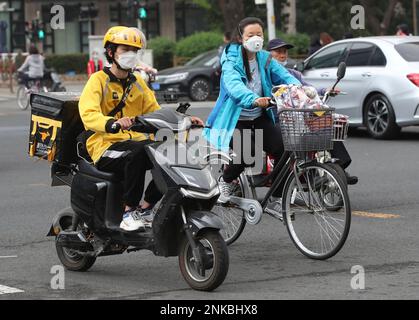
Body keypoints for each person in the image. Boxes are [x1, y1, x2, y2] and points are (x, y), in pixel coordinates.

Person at [79, 26, 203, 231]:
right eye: (124, 49)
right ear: (110, 52)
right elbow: (88, 114)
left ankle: (146, 207)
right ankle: (129, 212)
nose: (130, 55)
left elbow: (155, 111)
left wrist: (184, 120)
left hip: (133, 141)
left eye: (134, 51)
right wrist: (112, 123)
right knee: (138, 153)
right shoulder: (98, 81)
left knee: (171, 152)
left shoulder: (137, 82)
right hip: (104, 145)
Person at [202, 17, 301, 214]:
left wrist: (302, 90)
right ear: (241, 38)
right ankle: (227, 179)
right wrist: (253, 99)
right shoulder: (231, 59)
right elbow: (233, 85)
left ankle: (276, 196)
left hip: (259, 117)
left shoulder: (265, 58)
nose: (256, 38)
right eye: (251, 35)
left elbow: (285, 76)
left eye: (259, 34)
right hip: (234, 120)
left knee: (284, 148)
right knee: (249, 154)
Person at [267, 38, 358, 185]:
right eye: (278, 52)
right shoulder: (266, 75)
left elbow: (309, 89)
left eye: (284, 51)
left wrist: (325, 90)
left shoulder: (294, 74)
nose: (282, 55)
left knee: (326, 124)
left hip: (300, 116)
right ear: (268, 55)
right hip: (277, 119)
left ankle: (338, 167)